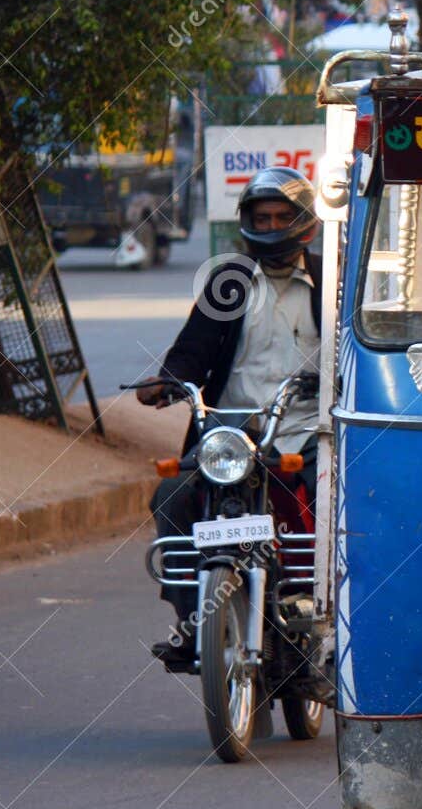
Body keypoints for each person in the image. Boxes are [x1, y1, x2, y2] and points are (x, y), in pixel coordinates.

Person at [137, 166, 323, 672]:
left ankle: (328, 615)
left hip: (309, 433)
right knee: (172, 498)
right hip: (231, 435)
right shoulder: (230, 281)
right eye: (261, 217)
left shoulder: (331, 281)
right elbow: (192, 349)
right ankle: (194, 621)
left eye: (282, 216)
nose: (270, 226)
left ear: (305, 222)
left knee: (343, 508)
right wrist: (166, 381)